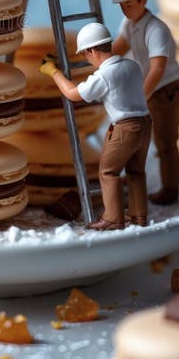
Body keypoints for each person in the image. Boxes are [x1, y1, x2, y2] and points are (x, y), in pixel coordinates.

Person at [39, 22, 152, 230]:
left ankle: (113, 218)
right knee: (136, 172)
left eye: (85, 54)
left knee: (108, 172)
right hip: (145, 124)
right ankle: (138, 215)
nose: (86, 59)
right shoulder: (132, 66)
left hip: (125, 127)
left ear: (92, 50)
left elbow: (73, 94)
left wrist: (53, 72)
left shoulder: (104, 75)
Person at [111, 0, 179, 205]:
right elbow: (119, 47)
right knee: (143, 137)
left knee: (165, 141)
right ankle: (135, 182)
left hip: (165, 89)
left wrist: (140, 98)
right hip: (149, 86)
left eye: (130, 5)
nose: (126, 10)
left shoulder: (156, 30)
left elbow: (158, 68)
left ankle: (171, 190)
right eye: (122, 6)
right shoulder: (129, 24)